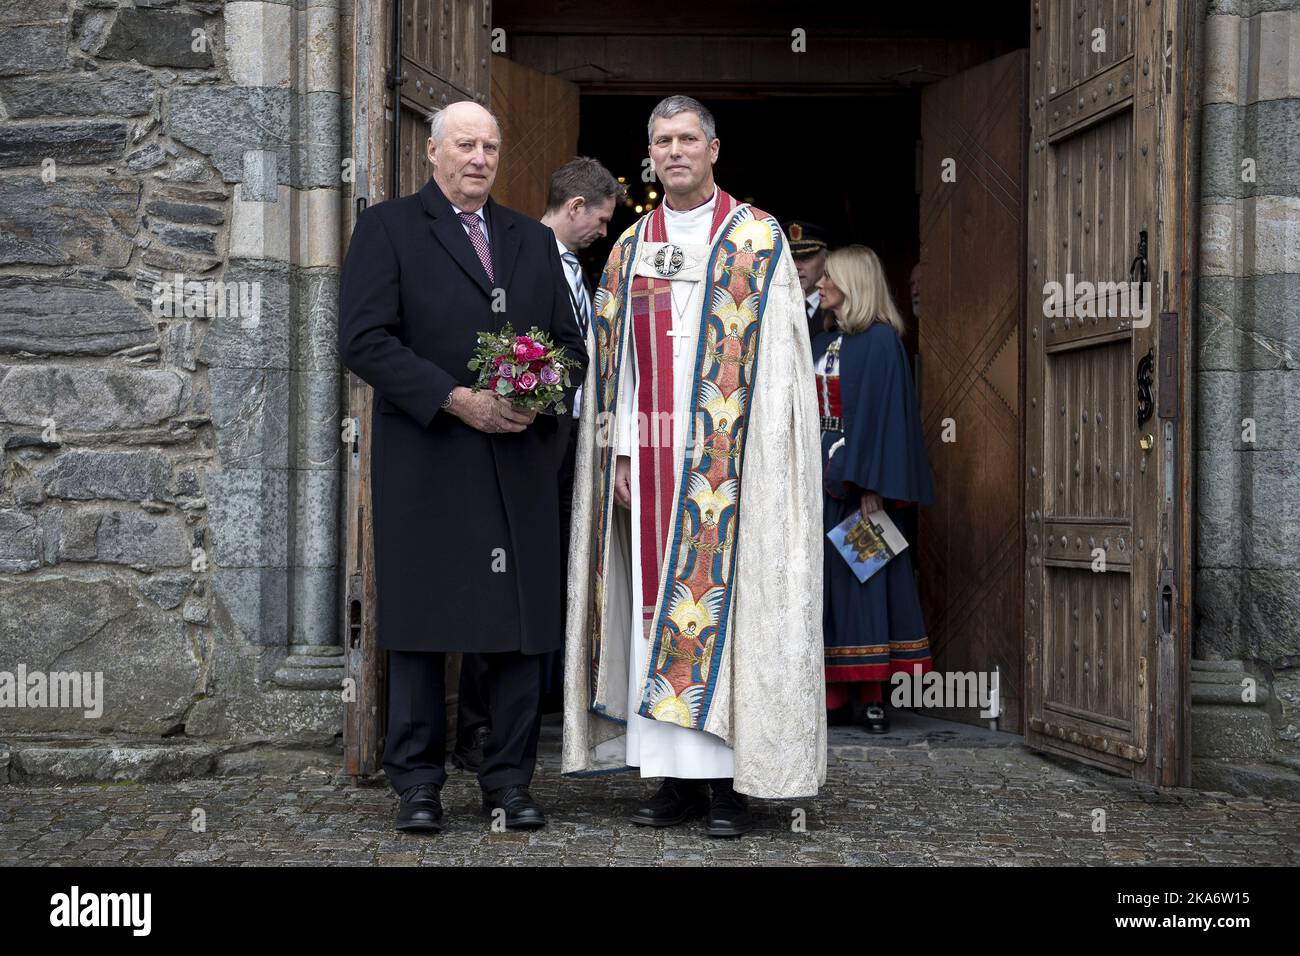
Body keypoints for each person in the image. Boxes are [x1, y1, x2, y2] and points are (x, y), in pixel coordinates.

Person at [562, 95, 825, 837]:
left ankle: (731, 787)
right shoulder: (630, 246)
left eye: (686, 139)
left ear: (714, 149)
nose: (674, 151)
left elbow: (783, 364)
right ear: (651, 157)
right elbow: (613, 367)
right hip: (647, 460)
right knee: (656, 616)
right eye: (661, 142)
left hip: (735, 462)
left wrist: (769, 456)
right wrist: (614, 449)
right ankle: (673, 781)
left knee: (729, 617)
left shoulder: (757, 236)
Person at [338, 100, 588, 833]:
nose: (479, 158)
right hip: (429, 457)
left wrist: (533, 392)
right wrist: (454, 398)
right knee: (422, 622)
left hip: (518, 460)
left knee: (516, 627)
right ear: (433, 152)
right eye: (465, 145)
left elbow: (570, 348)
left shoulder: (531, 242)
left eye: (490, 147)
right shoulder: (387, 229)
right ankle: (417, 783)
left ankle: (508, 780)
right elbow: (362, 339)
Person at [811, 245, 934, 734]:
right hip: (815, 480)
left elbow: (888, 421)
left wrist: (872, 486)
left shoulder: (882, 343)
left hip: (861, 486)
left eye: (828, 279)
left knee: (864, 580)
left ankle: (870, 695)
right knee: (822, 585)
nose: (819, 285)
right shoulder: (819, 342)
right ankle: (831, 693)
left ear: (852, 284)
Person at [539, 157, 621, 711]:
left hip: (574, 443)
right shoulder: (522, 259)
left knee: (566, 567)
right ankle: (486, 722)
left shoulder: (575, 269)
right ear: (575, 208)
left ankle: (557, 695)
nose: (605, 231)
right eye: (602, 219)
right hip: (535, 440)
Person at [787, 220, 833, 344]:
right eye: (791, 259)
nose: (796, 266)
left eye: (805, 258)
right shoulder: (777, 304)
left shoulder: (838, 307)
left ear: (826, 258)